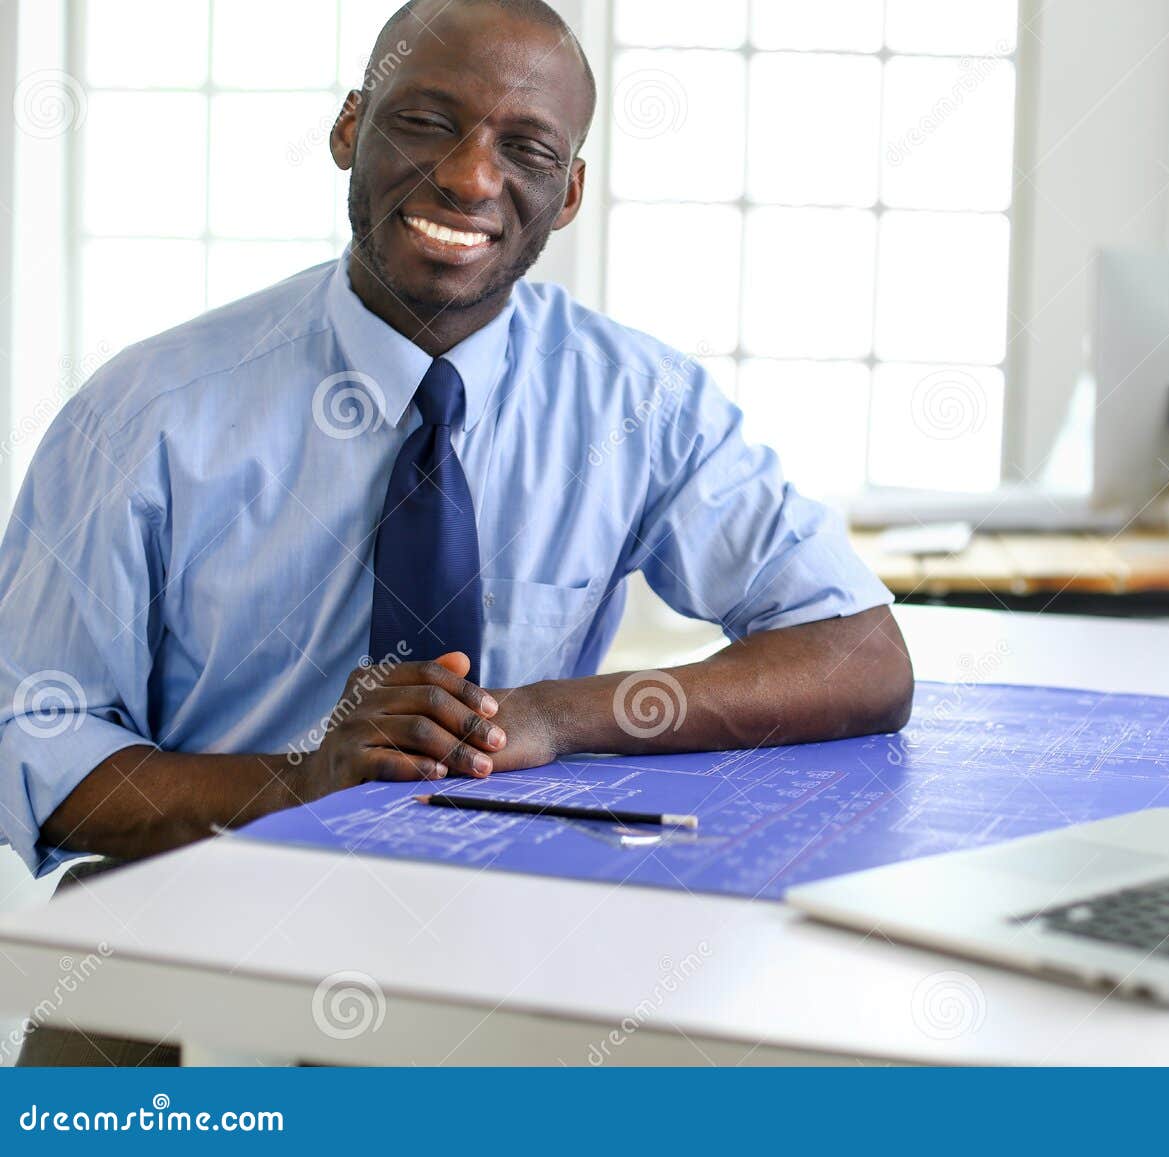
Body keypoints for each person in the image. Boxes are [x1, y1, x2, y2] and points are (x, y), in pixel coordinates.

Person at [0, 0, 913, 1063]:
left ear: (569, 193)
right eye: (427, 123)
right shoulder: (146, 413)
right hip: (183, 955)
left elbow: (861, 653)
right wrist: (299, 784)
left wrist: (551, 717)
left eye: (526, 149)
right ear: (350, 128)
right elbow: (35, 745)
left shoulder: (638, 403)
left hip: (499, 950)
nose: (471, 178)